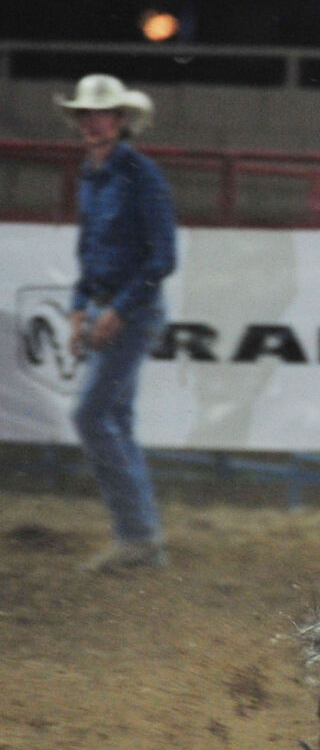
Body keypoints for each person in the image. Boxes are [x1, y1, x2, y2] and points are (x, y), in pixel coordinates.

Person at [55, 74, 177, 572]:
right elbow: (90, 254)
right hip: (115, 307)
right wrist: (81, 305)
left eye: (101, 114)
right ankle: (143, 538)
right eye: (86, 114)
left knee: (91, 416)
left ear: (121, 121)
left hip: (132, 310)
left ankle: (137, 535)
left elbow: (162, 258)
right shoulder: (95, 174)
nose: (93, 121)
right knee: (114, 420)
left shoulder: (139, 176)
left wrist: (117, 310)